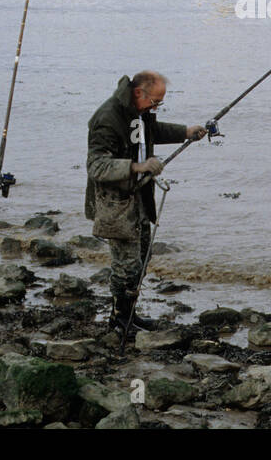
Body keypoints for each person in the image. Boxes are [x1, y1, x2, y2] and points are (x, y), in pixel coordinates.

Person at [84, 71, 205, 332]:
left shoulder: (138, 113)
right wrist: (137, 166)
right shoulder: (107, 118)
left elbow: (153, 131)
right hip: (115, 203)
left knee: (141, 258)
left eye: (159, 103)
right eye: (155, 102)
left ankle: (129, 315)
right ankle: (119, 319)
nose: (156, 107)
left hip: (140, 197)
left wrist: (186, 132)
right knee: (126, 265)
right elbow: (96, 166)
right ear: (139, 92)